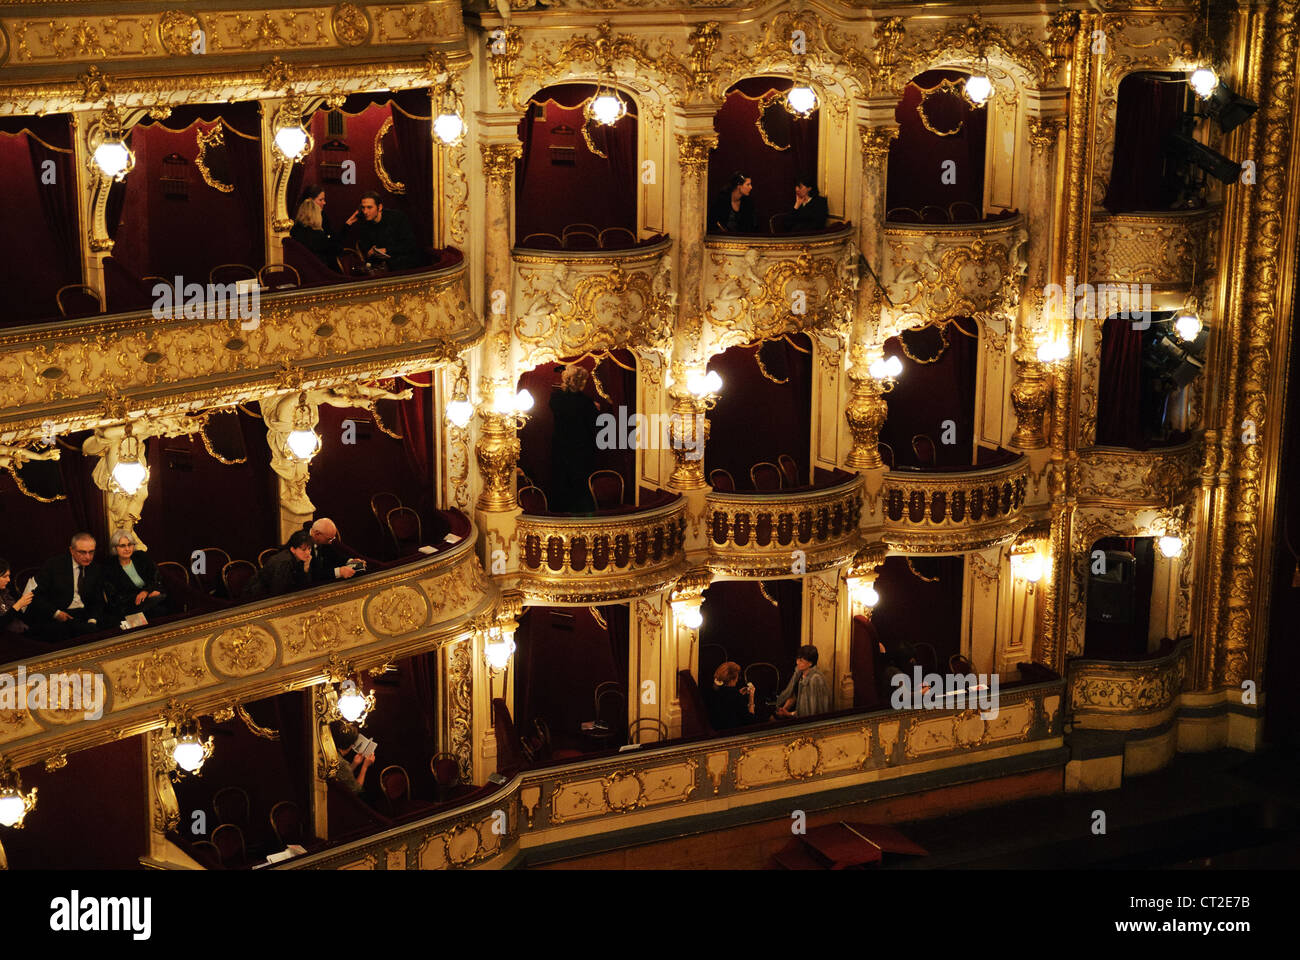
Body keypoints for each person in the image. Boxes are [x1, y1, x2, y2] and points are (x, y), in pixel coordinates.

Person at [29, 533, 107, 645]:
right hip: (61, 614)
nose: (88, 557)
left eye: (91, 552)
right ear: (72, 550)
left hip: (85, 613)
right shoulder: (54, 565)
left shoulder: (95, 568)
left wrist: (92, 620)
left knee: (111, 624)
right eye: (82, 552)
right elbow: (37, 596)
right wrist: (56, 613)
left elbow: (97, 599)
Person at [548, 364, 600, 513]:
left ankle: (561, 514)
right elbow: (595, 424)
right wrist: (596, 409)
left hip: (561, 448)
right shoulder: (587, 402)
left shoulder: (556, 398)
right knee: (580, 486)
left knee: (562, 482)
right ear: (581, 382)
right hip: (581, 450)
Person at [346, 191, 422, 270]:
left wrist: (386, 250)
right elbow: (367, 252)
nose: (365, 212)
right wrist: (370, 252)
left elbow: (410, 244)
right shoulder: (364, 224)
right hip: (382, 266)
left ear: (380, 207)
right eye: (363, 207)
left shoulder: (397, 217)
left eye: (369, 207)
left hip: (405, 264)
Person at [103, 530, 167, 623]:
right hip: (129, 606)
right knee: (160, 607)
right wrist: (146, 595)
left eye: (130, 544)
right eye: (122, 546)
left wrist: (146, 592)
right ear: (115, 548)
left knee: (161, 606)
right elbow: (115, 597)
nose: (127, 549)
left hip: (150, 598)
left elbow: (156, 578)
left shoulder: (141, 557)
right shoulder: (109, 568)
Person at [245, 531, 314, 601]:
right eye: (304, 550)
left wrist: (306, 568)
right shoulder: (284, 563)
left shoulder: (299, 559)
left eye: (309, 548)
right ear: (293, 549)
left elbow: (303, 587)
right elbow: (279, 592)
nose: (308, 553)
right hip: (257, 598)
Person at [772, 644, 832, 720]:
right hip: (793, 713)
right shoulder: (799, 672)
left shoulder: (815, 679)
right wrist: (784, 709)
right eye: (797, 659)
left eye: (801, 661)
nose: (797, 662)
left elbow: (812, 712)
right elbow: (793, 693)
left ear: (810, 663)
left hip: (805, 721)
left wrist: (789, 714)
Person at [303, 518, 366, 585]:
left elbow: (335, 557)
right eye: (329, 539)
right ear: (317, 534)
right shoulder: (301, 544)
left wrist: (350, 561)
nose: (331, 542)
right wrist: (339, 572)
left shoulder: (323, 540)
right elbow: (311, 575)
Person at [289, 191, 342, 269]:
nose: (324, 203)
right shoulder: (318, 235)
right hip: (319, 272)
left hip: (300, 269)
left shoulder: (294, 231)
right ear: (317, 215)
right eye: (321, 200)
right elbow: (337, 250)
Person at [330, 722, 376, 798]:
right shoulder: (342, 763)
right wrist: (365, 766)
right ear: (352, 745)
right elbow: (356, 790)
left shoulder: (332, 752)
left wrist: (354, 764)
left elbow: (342, 775)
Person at [705, 661, 756, 730]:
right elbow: (750, 721)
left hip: (716, 728)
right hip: (732, 733)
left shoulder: (713, 691)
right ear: (732, 679)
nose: (737, 680)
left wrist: (738, 694)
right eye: (737, 677)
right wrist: (751, 698)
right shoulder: (735, 696)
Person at [0, 559, 33, 634]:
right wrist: (18, 605)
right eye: (5, 576)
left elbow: (18, 615)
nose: (8, 580)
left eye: (9, 576)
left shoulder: (4, 591)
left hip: (20, 628)